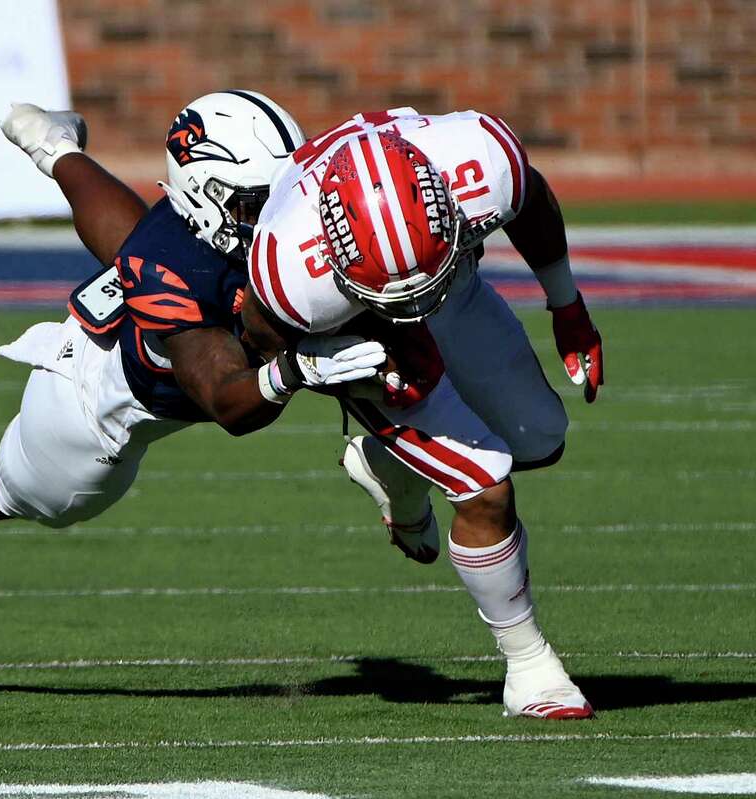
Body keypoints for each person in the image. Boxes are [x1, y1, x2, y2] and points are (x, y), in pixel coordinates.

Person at [0, 91, 385, 528]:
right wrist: (297, 373)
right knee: (6, 492)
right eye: (262, 201)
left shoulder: (192, 229)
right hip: (88, 412)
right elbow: (230, 401)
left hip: (134, 306)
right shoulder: (175, 269)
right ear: (208, 196)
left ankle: (51, 145)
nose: (281, 215)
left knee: (334, 323)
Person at [239, 109, 605, 719]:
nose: (415, 303)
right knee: (484, 479)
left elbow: (532, 197)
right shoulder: (290, 267)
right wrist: (341, 369)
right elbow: (261, 329)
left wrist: (567, 307)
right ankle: (530, 668)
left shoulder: (482, 161)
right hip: (362, 329)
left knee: (540, 438)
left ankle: (393, 465)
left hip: (453, 281)